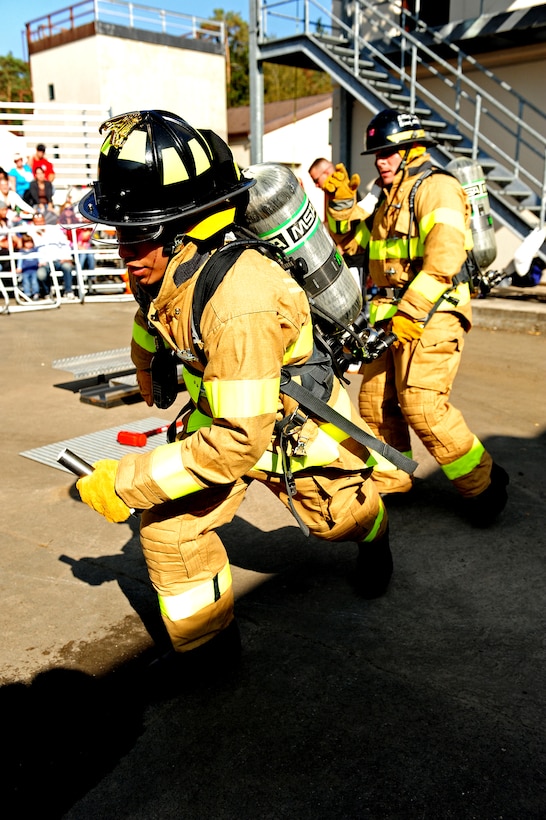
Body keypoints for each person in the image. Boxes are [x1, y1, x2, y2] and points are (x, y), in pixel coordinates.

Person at [74, 109, 395, 683]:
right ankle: (209, 652)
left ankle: (375, 531)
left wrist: (124, 482)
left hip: (290, 432)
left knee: (337, 520)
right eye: (119, 232)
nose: (123, 251)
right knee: (169, 531)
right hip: (223, 421)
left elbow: (238, 443)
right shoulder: (164, 266)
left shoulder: (240, 302)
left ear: (182, 229)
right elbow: (155, 313)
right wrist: (146, 366)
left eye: (136, 235)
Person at [326, 108, 509, 527]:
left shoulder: (437, 188)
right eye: (377, 154)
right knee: (375, 402)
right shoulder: (388, 195)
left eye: (388, 153)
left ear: (413, 150)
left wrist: (409, 312)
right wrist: (341, 206)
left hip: (433, 311)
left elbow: (444, 261)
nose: (380, 161)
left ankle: (484, 486)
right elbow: (356, 246)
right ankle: (393, 478)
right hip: (390, 316)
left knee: (422, 404)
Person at [29, 211, 76, 299]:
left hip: (59, 259)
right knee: (41, 274)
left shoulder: (54, 230)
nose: (39, 224)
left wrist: (67, 257)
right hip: (44, 262)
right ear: (33, 223)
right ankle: (48, 292)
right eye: (37, 222)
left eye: (41, 221)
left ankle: (68, 291)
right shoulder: (30, 233)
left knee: (67, 267)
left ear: (44, 221)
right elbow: (30, 250)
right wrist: (38, 261)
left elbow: (65, 244)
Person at [16, 233, 40, 300]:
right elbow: (20, 260)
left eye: (30, 242)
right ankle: (27, 294)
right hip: (25, 270)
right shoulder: (22, 251)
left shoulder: (35, 250)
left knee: (34, 282)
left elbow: (39, 257)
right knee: (26, 282)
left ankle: (36, 293)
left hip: (34, 269)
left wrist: (40, 262)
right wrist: (19, 267)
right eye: (27, 242)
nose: (29, 244)